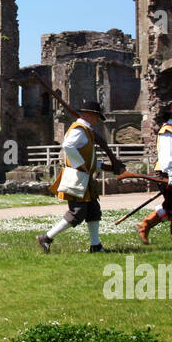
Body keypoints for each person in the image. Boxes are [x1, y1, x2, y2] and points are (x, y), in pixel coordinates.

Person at [37, 101, 123, 254]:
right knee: (77, 213)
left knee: (93, 211)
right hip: (77, 178)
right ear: (89, 115)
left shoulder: (86, 131)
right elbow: (68, 145)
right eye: (96, 117)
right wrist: (80, 165)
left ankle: (96, 246)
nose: (97, 121)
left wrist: (107, 167)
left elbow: (88, 159)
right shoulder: (79, 130)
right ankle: (46, 238)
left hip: (84, 177)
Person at [138, 101, 172, 244]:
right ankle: (145, 225)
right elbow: (166, 155)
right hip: (168, 173)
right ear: (171, 115)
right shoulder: (167, 131)